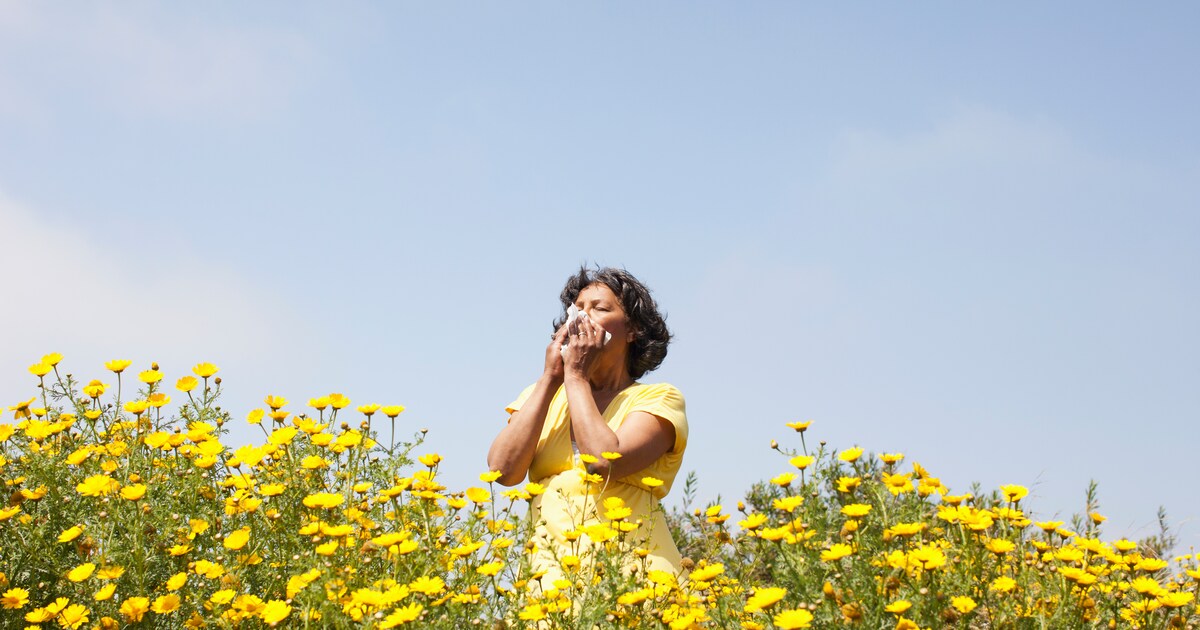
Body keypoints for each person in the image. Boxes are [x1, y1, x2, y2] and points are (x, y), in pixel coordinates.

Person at [487, 267, 687, 587]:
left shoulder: (659, 398)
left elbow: (604, 462)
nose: (583, 316)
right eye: (578, 308)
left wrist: (576, 376)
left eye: (600, 308)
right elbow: (502, 470)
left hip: (633, 581)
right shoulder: (543, 395)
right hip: (549, 584)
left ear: (633, 330)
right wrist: (551, 378)